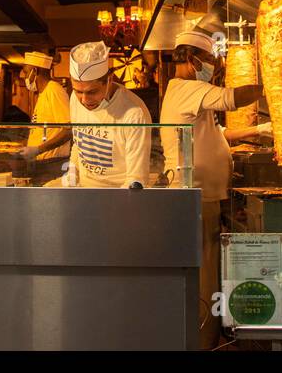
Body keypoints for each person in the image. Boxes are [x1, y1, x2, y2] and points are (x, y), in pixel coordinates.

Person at [160, 28, 267, 349]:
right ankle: (204, 339)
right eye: (210, 62)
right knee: (205, 268)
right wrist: (272, 88)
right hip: (195, 193)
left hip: (204, 193)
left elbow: (216, 132)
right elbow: (230, 99)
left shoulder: (185, 93)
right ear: (192, 60)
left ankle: (208, 334)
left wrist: (257, 130)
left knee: (208, 264)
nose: (213, 68)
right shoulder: (188, 88)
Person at [61, 40, 152, 188]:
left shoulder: (134, 114)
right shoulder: (75, 99)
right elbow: (79, 144)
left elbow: (136, 178)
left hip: (117, 196)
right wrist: (70, 175)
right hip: (83, 192)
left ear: (109, 80)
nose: (84, 100)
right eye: (78, 91)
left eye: (92, 91)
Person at [17, 51, 71, 162]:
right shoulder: (43, 93)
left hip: (52, 162)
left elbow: (68, 130)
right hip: (42, 161)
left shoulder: (54, 90)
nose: (24, 77)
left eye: (26, 72)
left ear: (35, 71)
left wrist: (38, 149)